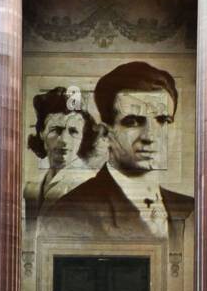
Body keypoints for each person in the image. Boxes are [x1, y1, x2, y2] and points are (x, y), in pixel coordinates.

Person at [38, 61, 194, 245]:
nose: (151, 136)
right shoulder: (70, 213)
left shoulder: (192, 209)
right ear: (105, 133)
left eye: (163, 120)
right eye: (133, 121)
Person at [22, 87, 98, 232]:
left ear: (83, 136)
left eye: (73, 131)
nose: (64, 140)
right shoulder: (33, 186)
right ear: (41, 133)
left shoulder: (88, 183)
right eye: (56, 130)